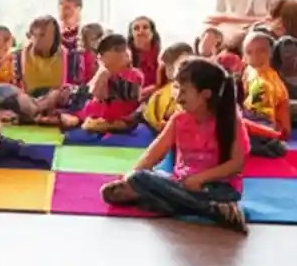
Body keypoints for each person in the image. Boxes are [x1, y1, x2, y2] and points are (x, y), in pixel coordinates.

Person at [100, 58, 250, 233]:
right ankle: (208, 209)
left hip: (217, 188)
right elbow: (153, 155)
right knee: (136, 178)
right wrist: (127, 178)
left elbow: (236, 164)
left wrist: (200, 179)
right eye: (177, 90)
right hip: (180, 184)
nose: (178, 98)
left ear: (206, 94)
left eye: (184, 92)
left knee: (150, 191)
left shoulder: (231, 122)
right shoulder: (179, 120)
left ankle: (187, 205)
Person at [61, 33, 144, 133]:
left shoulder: (134, 75)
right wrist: (103, 74)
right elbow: (96, 95)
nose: (100, 59)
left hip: (116, 115)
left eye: (102, 56)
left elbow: (133, 100)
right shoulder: (105, 71)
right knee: (64, 97)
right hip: (92, 108)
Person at [5, 15, 73, 123]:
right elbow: (18, 84)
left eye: (43, 35)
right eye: (34, 35)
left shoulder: (66, 54)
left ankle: (36, 114)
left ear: (54, 36)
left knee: (60, 94)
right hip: (29, 97)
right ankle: (38, 114)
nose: (37, 39)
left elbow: (63, 85)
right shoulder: (20, 54)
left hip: (54, 97)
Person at [240, 31, 291, 157]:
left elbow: (258, 119)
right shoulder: (250, 70)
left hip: (268, 130)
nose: (253, 55)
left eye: (260, 51)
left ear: (268, 53)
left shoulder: (262, 84)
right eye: (248, 52)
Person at [141, 42, 192, 132]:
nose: (170, 71)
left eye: (172, 66)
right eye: (168, 67)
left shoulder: (195, 91)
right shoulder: (161, 93)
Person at [127, 16, 161, 87]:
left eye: (145, 27)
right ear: (131, 34)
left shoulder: (161, 57)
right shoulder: (125, 57)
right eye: (136, 28)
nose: (141, 31)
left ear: (152, 33)